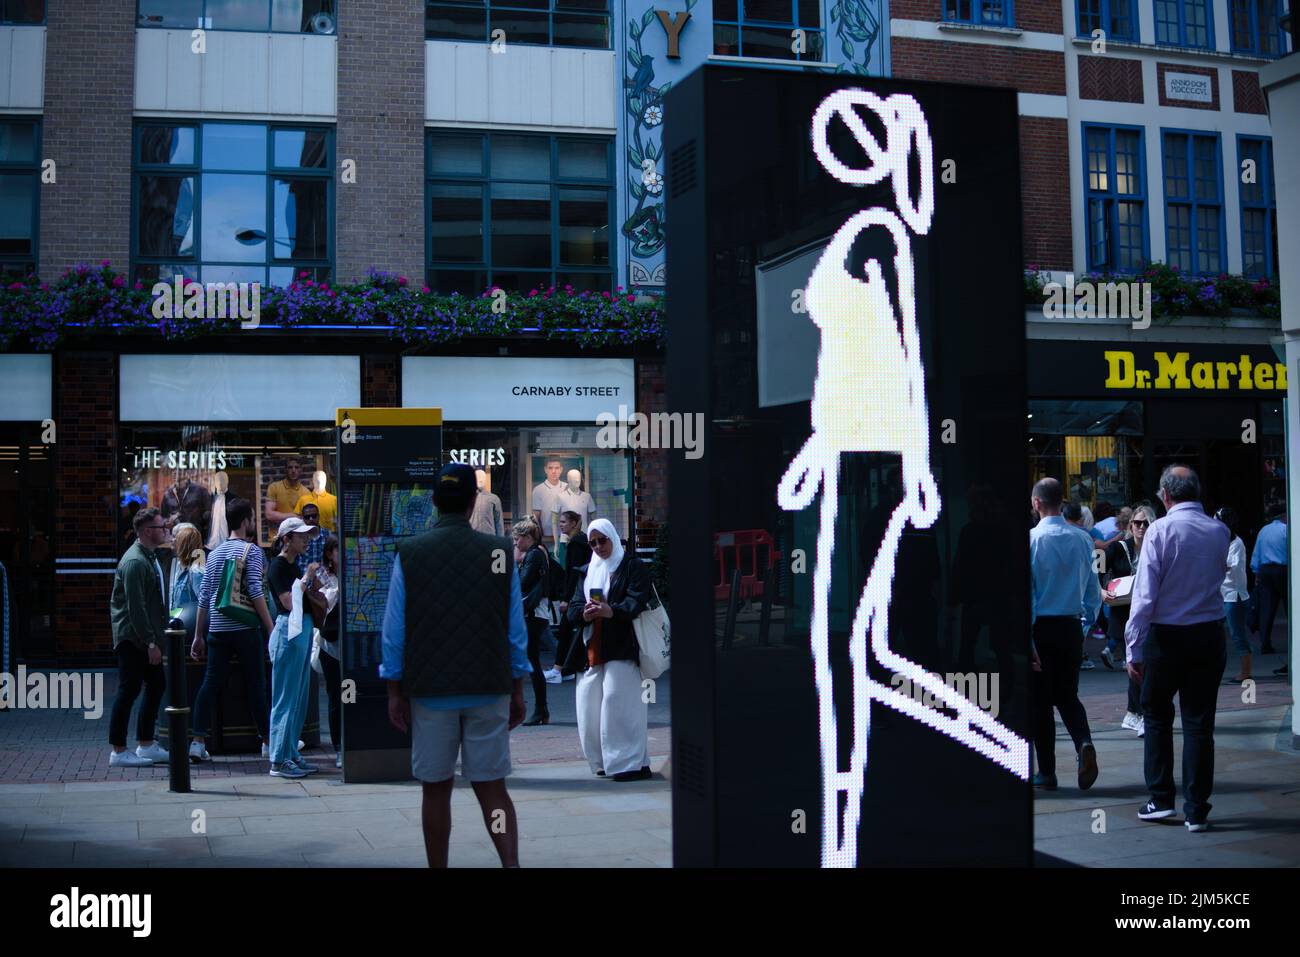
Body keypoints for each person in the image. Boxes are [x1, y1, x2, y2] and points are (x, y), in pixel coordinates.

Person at [380, 462, 530, 868]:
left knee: (435, 789)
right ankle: (511, 865)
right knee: (492, 788)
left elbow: (393, 631)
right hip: (488, 684)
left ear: (434, 502)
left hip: (431, 691)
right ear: (472, 502)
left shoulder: (410, 555)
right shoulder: (499, 553)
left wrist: (394, 691)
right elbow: (515, 629)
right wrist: (518, 687)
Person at [1125, 465, 1230, 832]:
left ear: (1165, 496)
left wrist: (1133, 649)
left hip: (1166, 637)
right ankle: (1197, 809)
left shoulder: (1159, 531)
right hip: (1209, 634)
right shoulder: (1220, 531)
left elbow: (1144, 597)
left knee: (1156, 716)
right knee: (1200, 724)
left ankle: (1161, 799)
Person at [564, 517, 652, 782]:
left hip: (623, 643)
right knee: (589, 705)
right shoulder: (587, 570)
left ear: (613, 537)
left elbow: (637, 600)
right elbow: (574, 608)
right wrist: (587, 614)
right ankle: (604, 761)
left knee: (619, 702)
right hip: (592, 646)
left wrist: (611, 610)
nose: (599, 547)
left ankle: (627, 763)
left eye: (603, 540)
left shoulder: (632, 566)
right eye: (593, 543)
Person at [189, 497, 274, 764]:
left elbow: (204, 597)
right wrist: (270, 627)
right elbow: (257, 591)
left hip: (217, 628)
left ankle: (197, 741)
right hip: (246, 628)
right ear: (247, 521)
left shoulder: (213, 554)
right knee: (256, 685)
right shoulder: (253, 552)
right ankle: (267, 742)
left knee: (210, 683)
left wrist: (198, 635)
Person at [1029, 479, 1100, 792]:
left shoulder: (1030, 540)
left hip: (1041, 628)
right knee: (1068, 696)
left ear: (1036, 503)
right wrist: (1084, 627)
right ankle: (1083, 741)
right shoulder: (1083, 539)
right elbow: (1092, 592)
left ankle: (1047, 772)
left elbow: (1026, 597)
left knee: (1040, 703)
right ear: (1062, 501)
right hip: (1071, 626)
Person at [108, 507, 171, 767]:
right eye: (161, 527)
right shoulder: (135, 561)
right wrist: (151, 642)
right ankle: (119, 751)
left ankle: (146, 745)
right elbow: (136, 608)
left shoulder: (148, 556)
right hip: (133, 639)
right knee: (128, 690)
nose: (165, 531)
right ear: (147, 531)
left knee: (156, 685)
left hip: (143, 637)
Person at [266, 516, 328, 778]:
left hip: (299, 631)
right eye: (301, 536)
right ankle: (278, 760)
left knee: (299, 698)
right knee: (285, 698)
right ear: (286, 539)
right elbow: (289, 603)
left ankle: (290, 752)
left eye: (307, 536)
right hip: (288, 632)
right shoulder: (279, 567)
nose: (305, 540)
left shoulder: (291, 565)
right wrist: (307, 577)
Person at [1101, 504, 1156, 739]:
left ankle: (1134, 712)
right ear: (1130, 525)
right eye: (1137, 523)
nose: (1141, 527)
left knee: (1143, 665)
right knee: (1136, 665)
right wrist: (1102, 592)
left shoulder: (1156, 548)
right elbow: (1096, 570)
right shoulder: (1117, 548)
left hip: (1150, 614)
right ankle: (1141, 715)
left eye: (1146, 523)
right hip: (1123, 614)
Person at [513, 517, 552, 725]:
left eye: (517, 539)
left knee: (532, 661)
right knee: (532, 660)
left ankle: (540, 709)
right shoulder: (538, 552)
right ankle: (541, 709)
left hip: (532, 614)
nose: (515, 543)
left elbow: (522, 584)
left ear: (528, 537)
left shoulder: (534, 555)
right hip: (537, 614)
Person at [550, 509, 590, 682]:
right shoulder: (580, 540)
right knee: (570, 631)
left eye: (564, 522)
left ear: (574, 524)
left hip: (576, 595)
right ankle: (564, 668)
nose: (561, 525)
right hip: (582, 593)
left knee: (566, 630)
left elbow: (573, 573)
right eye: (560, 522)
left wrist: (566, 598)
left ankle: (559, 669)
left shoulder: (576, 543)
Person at [1063, 501, 1103, 661]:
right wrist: (1092, 611)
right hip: (1076, 610)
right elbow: (1096, 572)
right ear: (1080, 518)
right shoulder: (1087, 537)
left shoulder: (1037, 535)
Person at [317, 537, 343, 768]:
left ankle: (350, 742)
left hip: (351, 647)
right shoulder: (322, 579)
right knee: (336, 696)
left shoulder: (356, 575)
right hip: (330, 647)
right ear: (329, 554)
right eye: (338, 548)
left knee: (351, 695)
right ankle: (339, 747)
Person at [1217, 508, 1251, 684]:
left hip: (1234, 596)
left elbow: (1233, 566)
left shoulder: (1236, 543)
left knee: (1237, 635)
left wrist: (1213, 564)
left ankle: (1246, 672)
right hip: (1223, 595)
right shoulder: (1223, 542)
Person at [1250, 502, 1287, 658]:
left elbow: (1256, 554)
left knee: (1267, 608)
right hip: (1283, 570)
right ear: (1284, 515)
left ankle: (1265, 643)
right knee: (1290, 608)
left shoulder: (1263, 531)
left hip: (1265, 571)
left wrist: (1256, 573)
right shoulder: (1287, 529)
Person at [168, 522, 206, 610]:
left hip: (190, 621)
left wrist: (198, 624)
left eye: (177, 538)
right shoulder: (178, 563)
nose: (172, 540)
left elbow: (205, 604)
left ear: (185, 543)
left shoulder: (197, 571)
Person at [265, 457, 312, 529]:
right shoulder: (274, 487)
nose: (293, 470)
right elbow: (269, 515)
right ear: (285, 469)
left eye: (296, 467)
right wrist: (294, 516)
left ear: (301, 470)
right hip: (277, 536)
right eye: (290, 467)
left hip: (297, 536)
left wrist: (280, 516)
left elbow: (307, 518)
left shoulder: (306, 492)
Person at [532, 457, 567, 543]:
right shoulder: (538, 490)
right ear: (545, 469)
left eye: (557, 468)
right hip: (546, 537)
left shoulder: (567, 487)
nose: (554, 471)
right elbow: (536, 517)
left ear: (561, 469)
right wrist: (540, 537)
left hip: (565, 536)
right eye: (550, 468)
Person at [296, 501, 327, 572]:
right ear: (303, 519)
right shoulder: (298, 536)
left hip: (323, 579)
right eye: (307, 517)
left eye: (314, 516)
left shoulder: (327, 535)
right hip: (303, 578)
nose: (311, 519)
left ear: (318, 516)